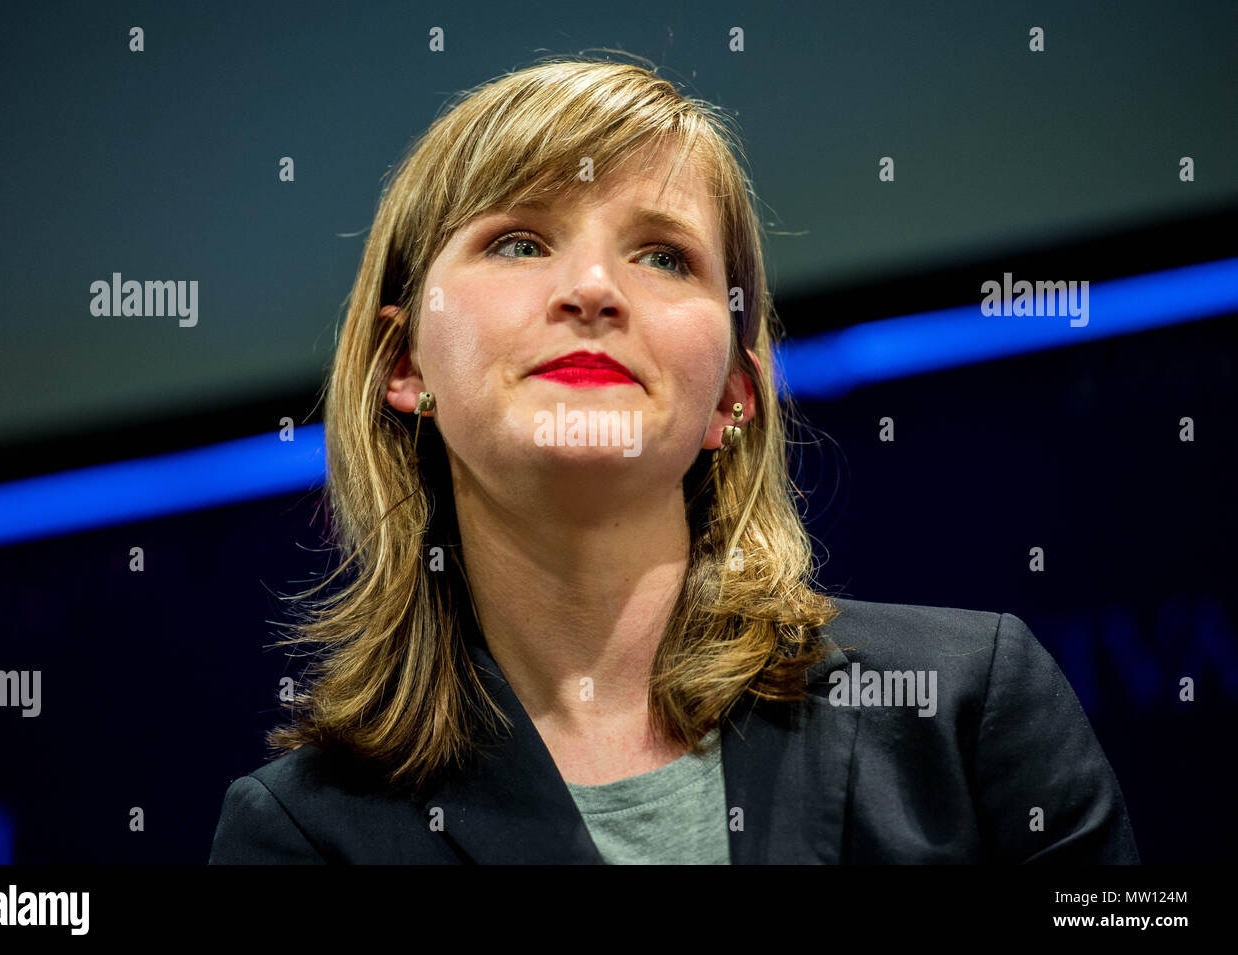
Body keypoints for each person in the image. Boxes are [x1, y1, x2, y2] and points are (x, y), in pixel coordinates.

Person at [208, 55, 1138, 864]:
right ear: (405, 364)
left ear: (735, 391)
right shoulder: (303, 832)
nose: (591, 290)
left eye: (663, 257)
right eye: (520, 241)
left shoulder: (969, 710)